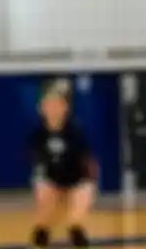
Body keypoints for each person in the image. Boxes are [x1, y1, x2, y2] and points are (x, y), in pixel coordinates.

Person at [28, 81, 96, 248]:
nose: (52, 109)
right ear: (42, 108)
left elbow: (88, 160)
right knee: (43, 222)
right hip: (53, 179)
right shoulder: (38, 134)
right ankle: (41, 234)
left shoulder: (75, 131)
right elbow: (36, 162)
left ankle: (78, 236)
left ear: (65, 108)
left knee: (75, 226)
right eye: (48, 105)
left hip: (77, 179)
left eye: (57, 105)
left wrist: (89, 182)